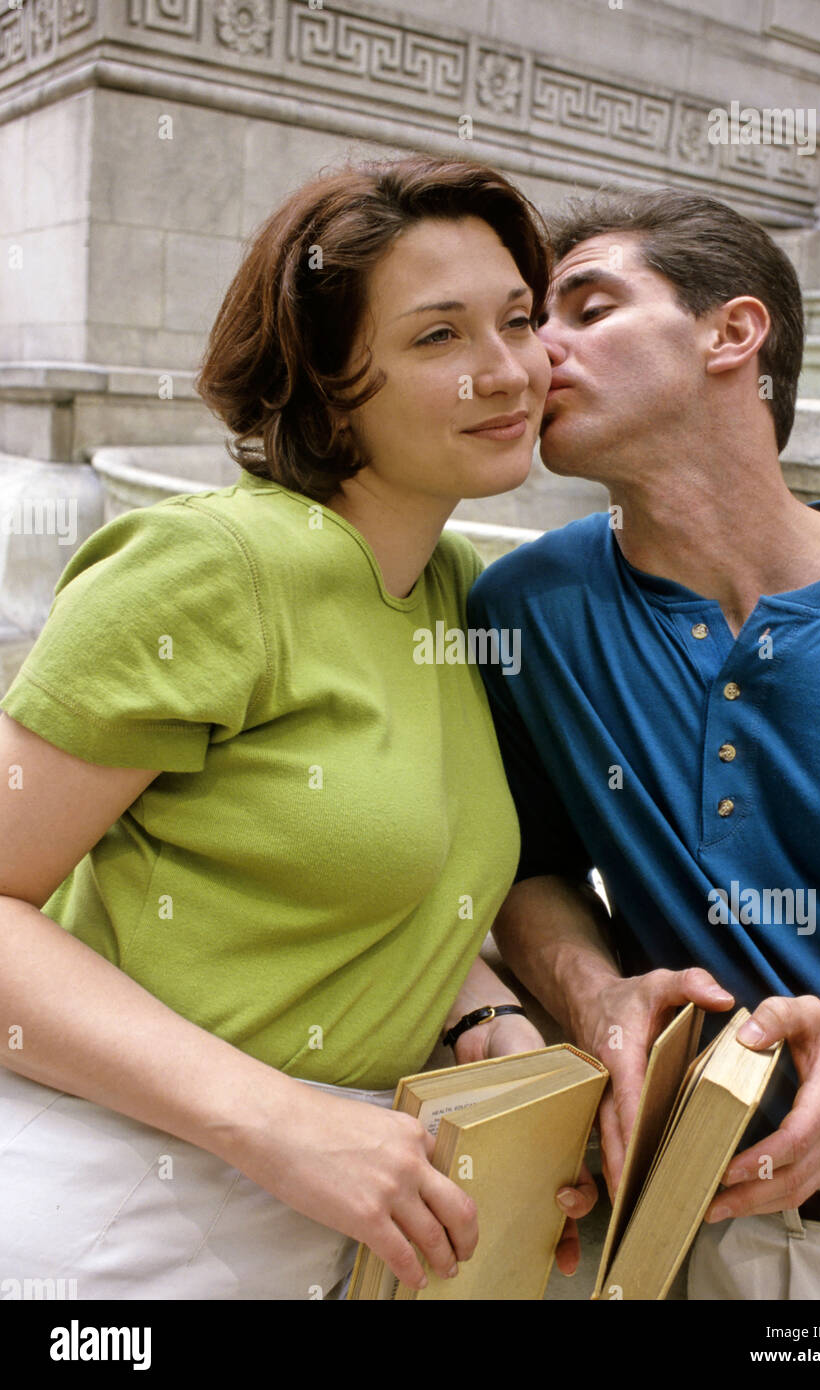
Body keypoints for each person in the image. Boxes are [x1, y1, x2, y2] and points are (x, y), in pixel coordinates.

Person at [0, 154, 579, 1300]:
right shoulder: (212, 565)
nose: (506, 370)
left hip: (350, 1218)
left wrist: (486, 1013)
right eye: (436, 338)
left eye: (516, 319)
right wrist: (279, 1121)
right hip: (121, 1213)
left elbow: (362, 883)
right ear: (323, 382)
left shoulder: (456, 592)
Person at [467, 186, 820, 1300]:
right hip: (671, 1240)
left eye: (585, 308)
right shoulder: (527, 607)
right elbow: (528, 865)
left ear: (731, 334)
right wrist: (592, 997)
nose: (539, 354)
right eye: (538, 323)